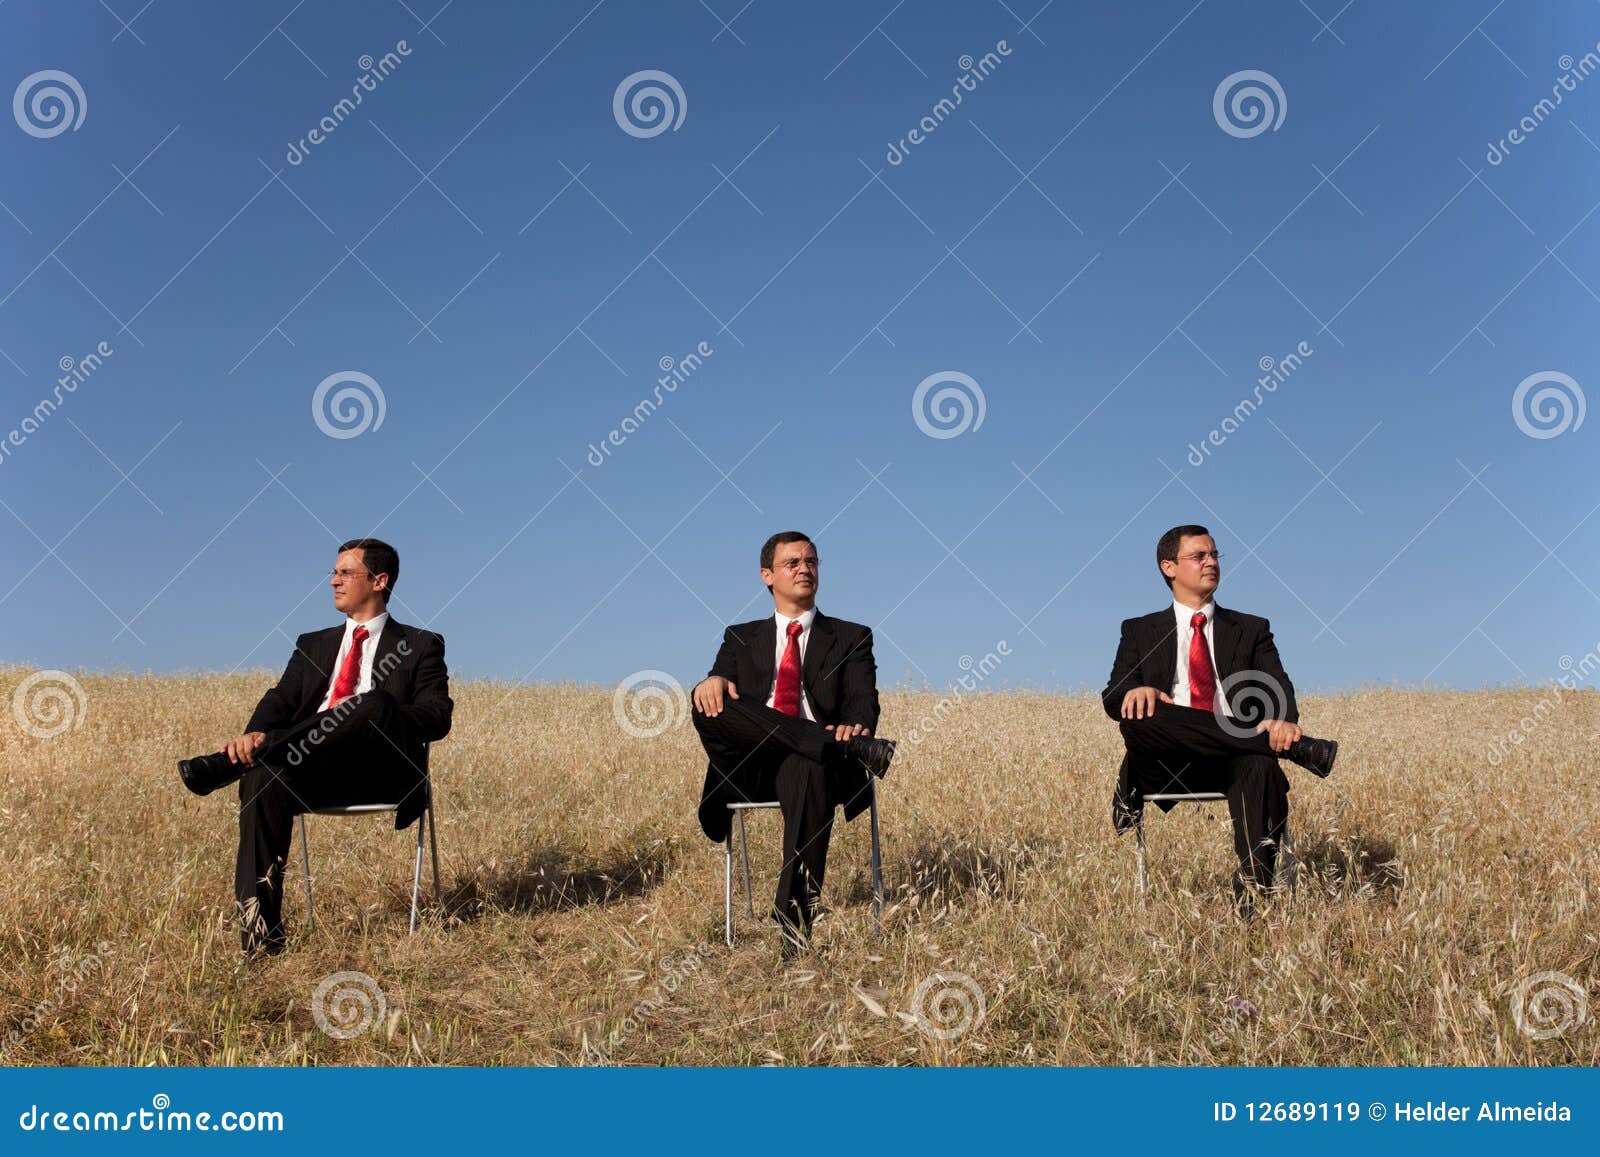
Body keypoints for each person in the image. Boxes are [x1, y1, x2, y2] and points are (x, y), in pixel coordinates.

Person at [177, 538, 452, 956]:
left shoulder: (420, 644)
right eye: (334, 572)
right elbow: (280, 700)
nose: (334, 581)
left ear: (379, 581)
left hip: (379, 773)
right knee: (262, 777)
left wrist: (379, 713)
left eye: (346, 573)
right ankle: (261, 942)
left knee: (372, 701)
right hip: (313, 770)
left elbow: (437, 717)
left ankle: (232, 763)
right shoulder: (313, 643)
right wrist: (255, 735)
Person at [1102, 524, 1337, 912]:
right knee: (1141, 716)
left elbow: (1278, 690)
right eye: (1199, 556)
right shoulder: (1140, 630)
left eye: (1214, 555)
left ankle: (1254, 906)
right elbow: (1113, 697)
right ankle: (1297, 750)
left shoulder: (1250, 628)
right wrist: (1134, 691)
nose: (1211, 562)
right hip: (1167, 761)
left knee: (1260, 765)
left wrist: (1281, 722)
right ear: (1169, 567)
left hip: (1232, 761)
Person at [691, 531, 896, 958]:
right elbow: (720, 694)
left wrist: (856, 729)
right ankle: (825, 744)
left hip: (812, 772)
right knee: (708, 702)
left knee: (807, 764)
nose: (805, 569)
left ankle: (794, 924)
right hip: (750, 765)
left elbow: (863, 703)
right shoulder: (740, 635)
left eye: (812, 561)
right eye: (793, 563)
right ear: (767, 575)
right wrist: (710, 681)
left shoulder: (851, 636)